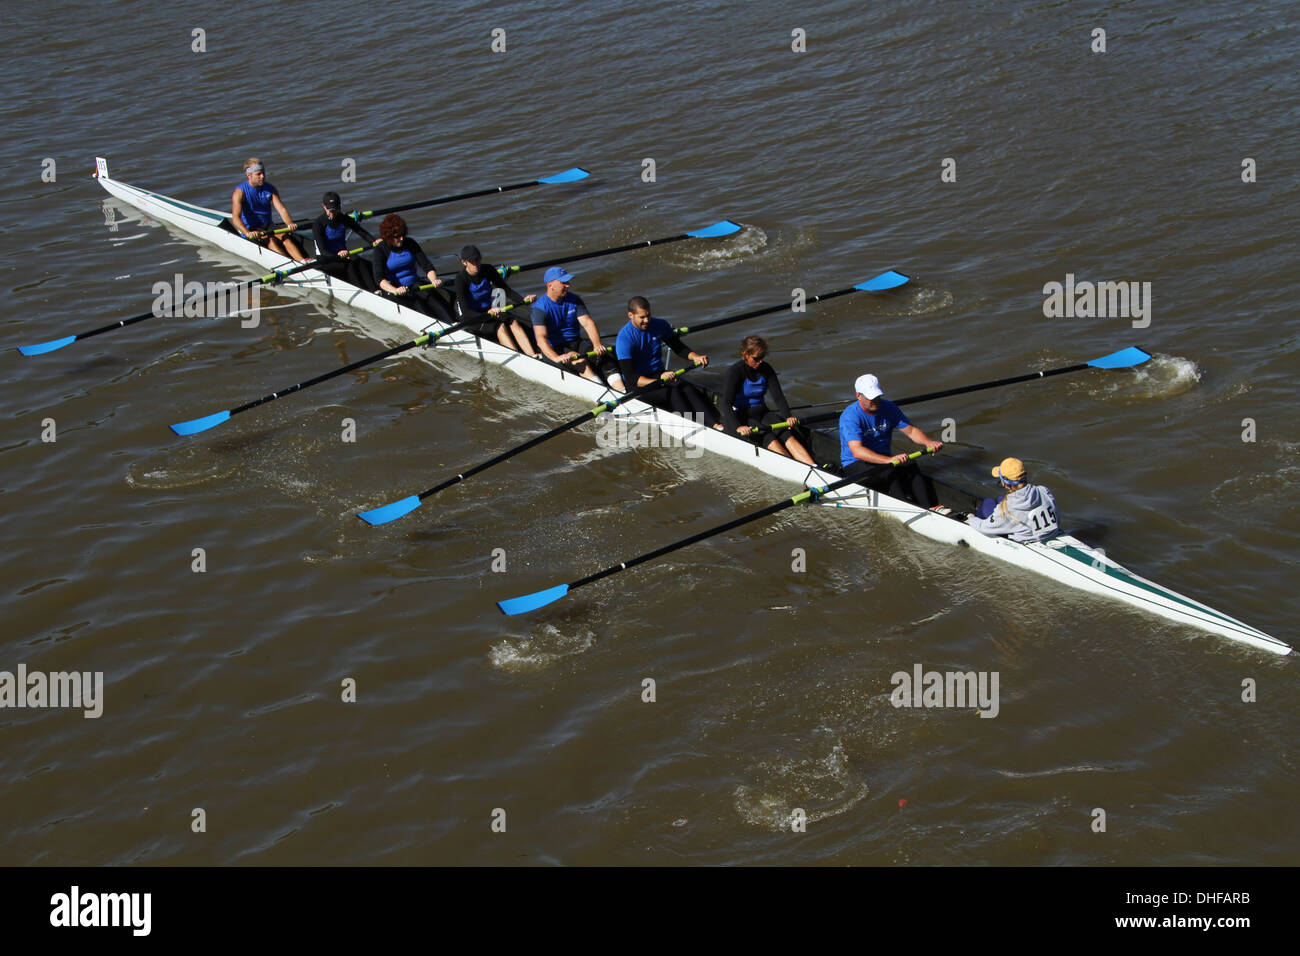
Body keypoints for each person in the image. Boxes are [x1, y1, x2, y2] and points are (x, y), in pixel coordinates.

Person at [838, 373, 944, 509]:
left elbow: (911, 431)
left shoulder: (889, 408)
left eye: (877, 396)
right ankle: (905, 509)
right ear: (858, 395)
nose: (876, 400)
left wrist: (928, 442)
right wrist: (888, 460)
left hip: (882, 461)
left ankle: (930, 508)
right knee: (888, 470)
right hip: (855, 465)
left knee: (910, 464)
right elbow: (857, 451)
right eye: (871, 397)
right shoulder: (850, 416)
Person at [614, 296, 716, 423]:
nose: (647, 320)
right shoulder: (624, 338)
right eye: (642, 317)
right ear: (631, 315)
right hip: (638, 385)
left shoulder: (660, 325)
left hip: (660, 375)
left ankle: (716, 424)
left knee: (687, 388)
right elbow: (631, 378)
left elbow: (678, 347)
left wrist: (696, 357)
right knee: (673, 392)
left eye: (648, 316)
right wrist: (660, 381)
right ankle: (695, 424)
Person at [719, 335, 814, 465]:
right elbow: (726, 404)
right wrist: (739, 427)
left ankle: (814, 467)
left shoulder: (766, 369)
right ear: (746, 355)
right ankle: (796, 469)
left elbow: (778, 397)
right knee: (770, 439)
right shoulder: (735, 372)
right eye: (756, 358)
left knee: (787, 435)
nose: (760, 362)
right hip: (742, 416)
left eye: (762, 357)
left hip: (762, 413)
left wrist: (788, 417)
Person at [531, 267, 622, 388]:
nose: (568, 285)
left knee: (604, 357)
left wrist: (597, 344)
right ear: (550, 285)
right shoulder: (539, 308)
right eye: (564, 283)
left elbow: (587, 323)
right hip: (554, 349)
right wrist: (556, 357)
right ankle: (601, 390)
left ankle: (622, 390)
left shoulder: (574, 299)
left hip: (575, 342)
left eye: (568, 282)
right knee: (580, 361)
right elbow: (541, 338)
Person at [453, 244, 538, 355]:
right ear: (464, 262)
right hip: (470, 315)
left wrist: (524, 300)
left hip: (490, 310)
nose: (477, 264)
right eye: (473, 261)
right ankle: (517, 356)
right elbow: (465, 311)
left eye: (478, 260)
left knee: (513, 322)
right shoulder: (460, 279)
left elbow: (506, 290)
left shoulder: (488, 269)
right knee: (500, 326)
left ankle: (533, 355)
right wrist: (487, 314)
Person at [371, 214, 453, 322]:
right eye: (397, 236)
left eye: (402, 235)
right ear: (389, 236)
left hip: (414, 284)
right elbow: (379, 279)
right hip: (394, 289)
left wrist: (434, 280)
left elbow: (427, 266)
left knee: (431, 298)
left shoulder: (410, 243)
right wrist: (395, 290)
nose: (401, 239)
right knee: (419, 306)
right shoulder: (380, 250)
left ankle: (453, 322)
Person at [967, 457, 1059, 542]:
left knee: (987, 503)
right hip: (1052, 534)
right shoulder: (1043, 490)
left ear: (1005, 483)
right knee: (999, 500)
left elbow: (984, 527)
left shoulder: (1007, 508)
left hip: (1025, 540)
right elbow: (1058, 518)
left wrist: (971, 518)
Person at [231, 157, 305, 261]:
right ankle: (288, 262)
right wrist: (247, 232)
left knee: (285, 237)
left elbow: (281, 209)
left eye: (263, 173)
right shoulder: (240, 192)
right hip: (252, 229)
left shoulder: (270, 188)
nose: (262, 177)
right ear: (249, 175)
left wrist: (290, 224)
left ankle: (302, 260)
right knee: (271, 241)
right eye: (258, 174)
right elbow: (235, 219)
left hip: (267, 225)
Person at [311, 191, 378, 291]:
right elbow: (322, 250)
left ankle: (376, 291)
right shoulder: (318, 224)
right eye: (330, 210)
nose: (333, 213)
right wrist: (337, 256)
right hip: (325, 260)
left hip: (343, 256)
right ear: (324, 206)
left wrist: (375, 242)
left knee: (362, 263)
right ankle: (362, 292)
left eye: (335, 210)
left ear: (339, 206)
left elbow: (362, 232)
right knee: (350, 265)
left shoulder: (343, 218)